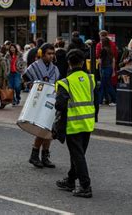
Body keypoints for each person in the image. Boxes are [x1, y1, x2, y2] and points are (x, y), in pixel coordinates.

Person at [53, 49, 96, 198]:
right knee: (78, 154)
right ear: (83, 62)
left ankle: (85, 186)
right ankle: (71, 180)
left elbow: (60, 105)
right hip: (88, 122)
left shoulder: (65, 82)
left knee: (77, 155)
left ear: (69, 64)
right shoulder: (90, 79)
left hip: (73, 123)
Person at [24, 43, 60, 168]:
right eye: (49, 54)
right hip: (38, 100)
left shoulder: (55, 69)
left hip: (51, 100)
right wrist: (30, 85)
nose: (51, 56)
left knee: (50, 128)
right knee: (42, 128)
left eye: (53, 53)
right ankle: (34, 155)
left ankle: (45, 156)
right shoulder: (34, 67)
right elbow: (25, 79)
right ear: (41, 54)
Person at [97, 37, 117, 106]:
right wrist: (113, 70)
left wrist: (99, 64)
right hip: (109, 68)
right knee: (107, 85)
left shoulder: (103, 50)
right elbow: (113, 60)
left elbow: (100, 60)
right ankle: (102, 101)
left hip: (105, 68)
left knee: (105, 85)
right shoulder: (110, 50)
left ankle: (113, 100)